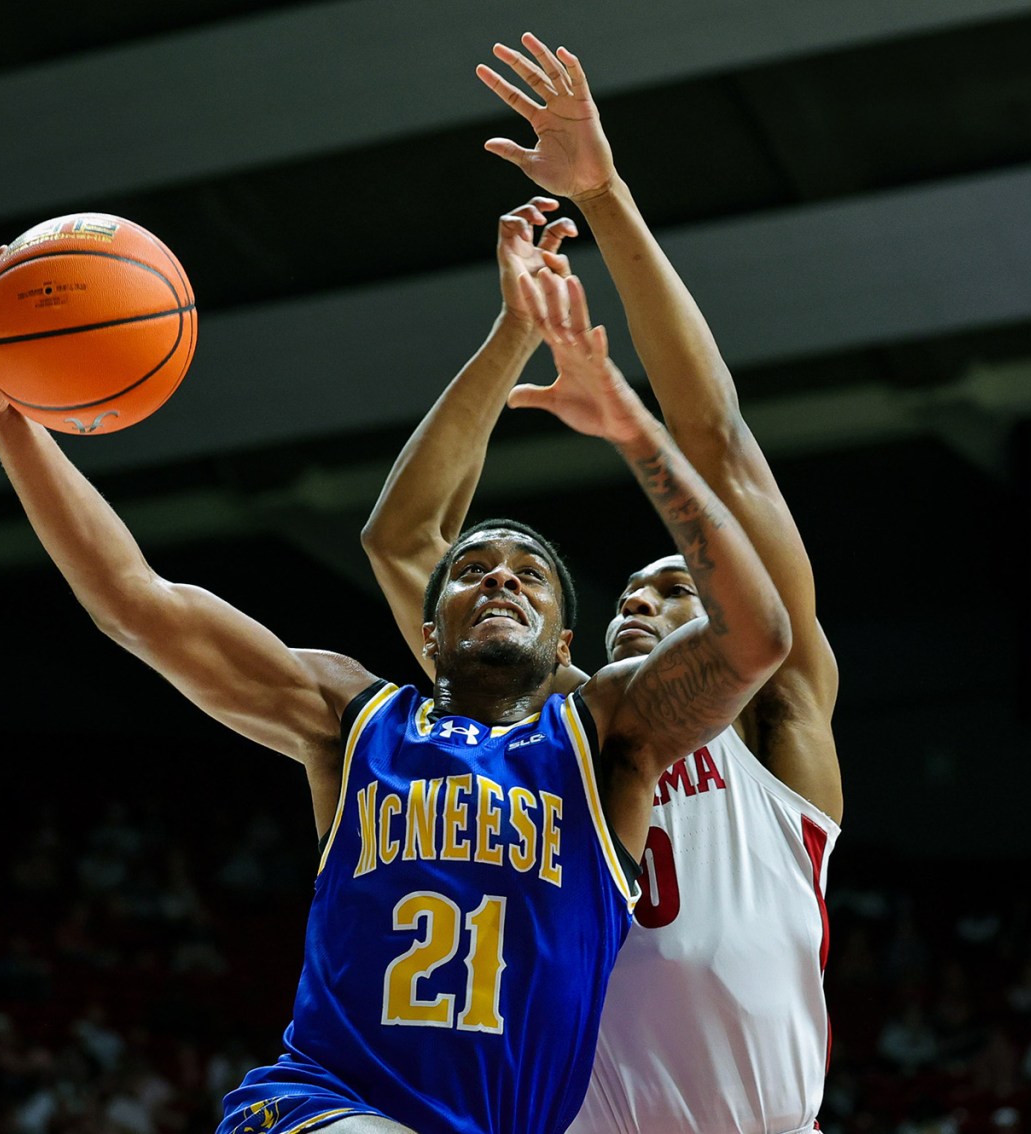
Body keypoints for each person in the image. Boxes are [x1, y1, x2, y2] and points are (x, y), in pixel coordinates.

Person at [0, 256, 790, 1134]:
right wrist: (14, 428)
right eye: (471, 569)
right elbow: (135, 601)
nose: (500, 579)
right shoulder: (353, 721)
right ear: (429, 632)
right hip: (321, 1106)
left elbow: (758, 636)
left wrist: (632, 431)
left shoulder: (607, 739)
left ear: (565, 648)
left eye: (531, 575)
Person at [361, 34, 842, 1134]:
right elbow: (404, 545)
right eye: (629, 593)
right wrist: (513, 335)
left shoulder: (771, 715)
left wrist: (606, 196)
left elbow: (715, 441)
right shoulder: (544, 720)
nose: (641, 602)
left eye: (677, 589)